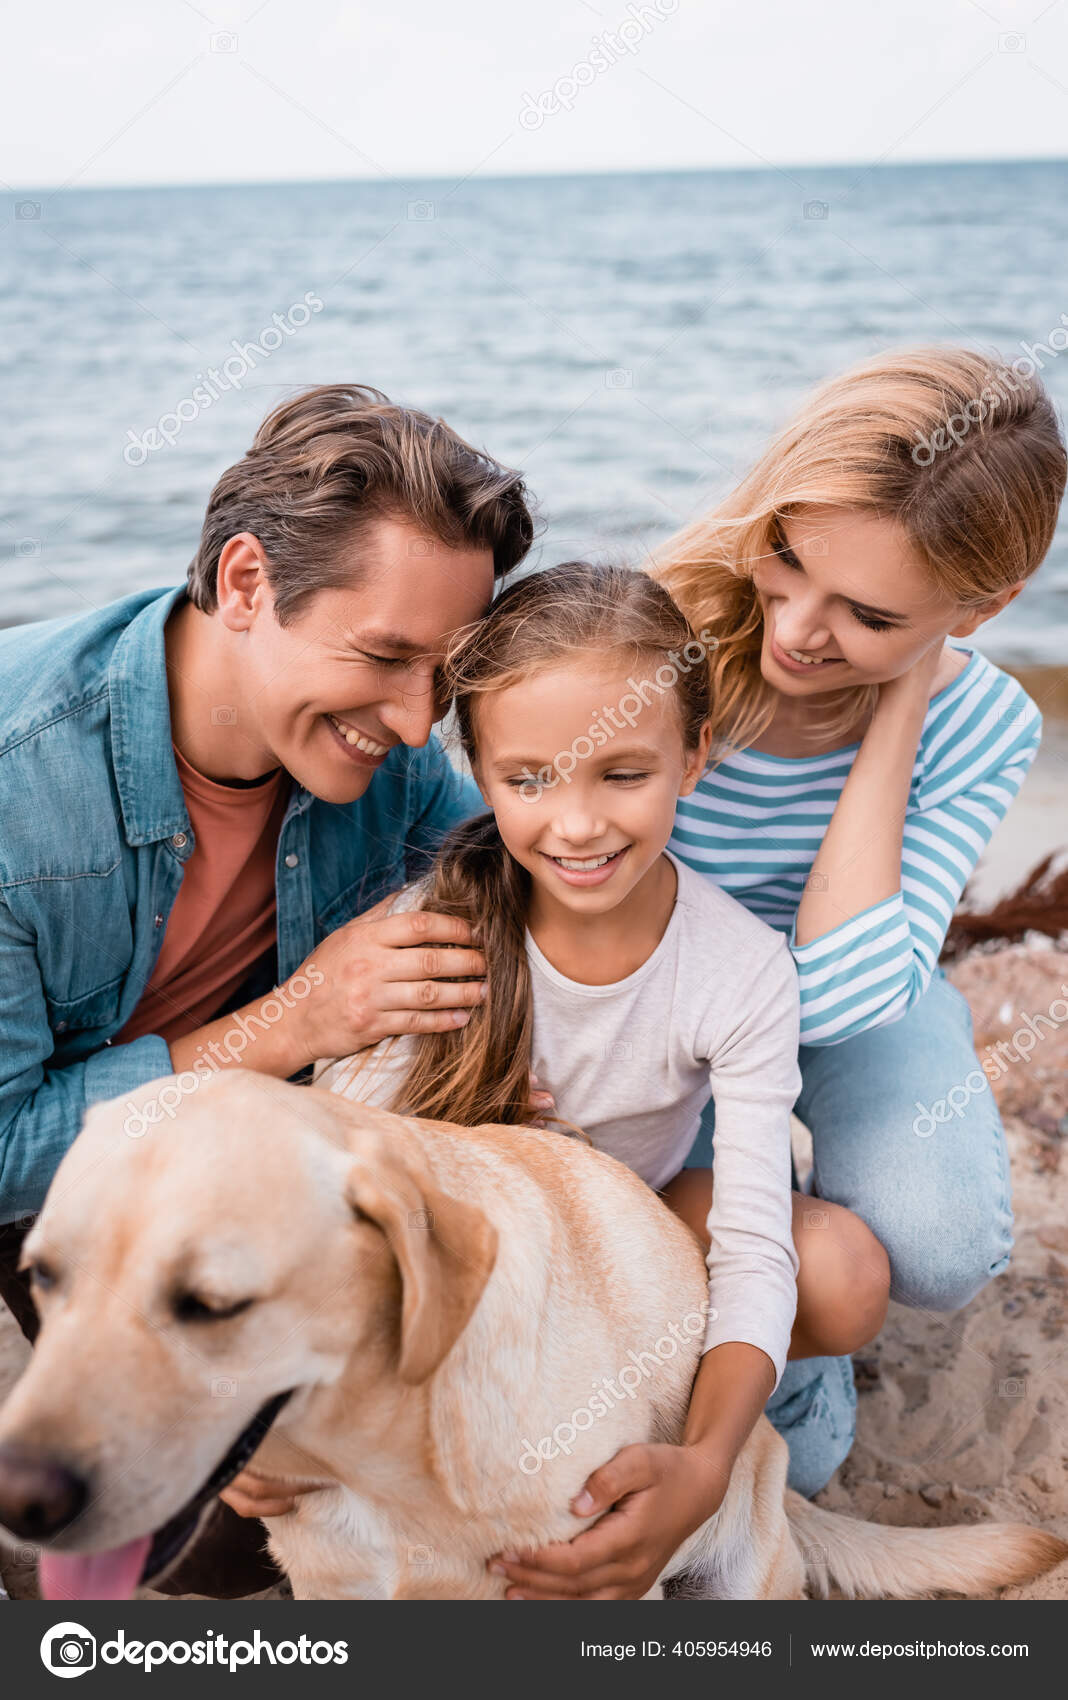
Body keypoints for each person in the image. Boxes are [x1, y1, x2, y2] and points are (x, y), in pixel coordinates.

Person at [224, 562, 890, 1601]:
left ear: (694, 755)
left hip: (633, 1257)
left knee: (836, 1269)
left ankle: (759, 1419)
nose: (576, 825)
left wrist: (705, 1468)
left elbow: (755, 1246)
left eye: (622, 772)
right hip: (472, 1271)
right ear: (480, 771)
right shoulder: (432, 933)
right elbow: (320, 1200)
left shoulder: (744, 968)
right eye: (530, 778)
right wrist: (255, 1406)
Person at [0, 381, 533, 1592]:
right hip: (44, 1177)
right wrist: (302, 1017)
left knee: (269, 1522)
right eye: (386, 657)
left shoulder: (384, 759)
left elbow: (549, 910)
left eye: (445, 675)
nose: (413, 723)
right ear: (245, 583)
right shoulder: (18, 790)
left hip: (208, 1197)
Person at [651, 346, 1068, 1496]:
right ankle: (803, 1280)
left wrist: (899, 712)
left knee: (934, 1245)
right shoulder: (657, 641)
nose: (795, 629)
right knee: (810, 1456)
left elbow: (839, 995)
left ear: (980, 608)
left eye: (870, 612)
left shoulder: (980, 724)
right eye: (786, 558)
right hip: (660, 1000)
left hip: (856, 986)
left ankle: (818, 1292)